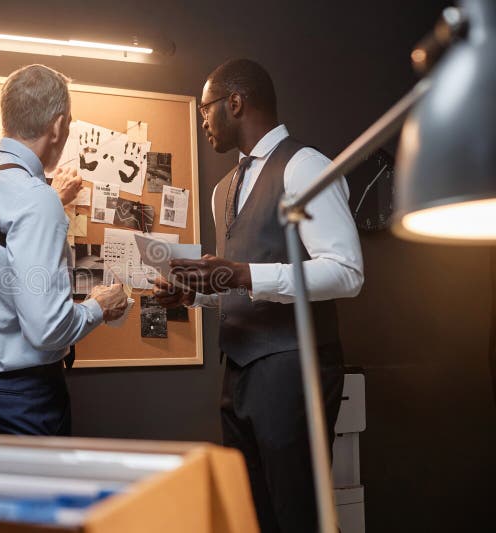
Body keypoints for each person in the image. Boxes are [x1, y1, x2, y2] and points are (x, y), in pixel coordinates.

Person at [153, 59, 364, 533]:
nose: (202, 120)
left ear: (235, 102)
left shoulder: (305, 166)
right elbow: (241, 282)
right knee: (248, 517)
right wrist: (192, 295)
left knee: (296, 516)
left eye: (207, 108)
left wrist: (243, 274)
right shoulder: (222, 189)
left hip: (295, 370)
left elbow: (347, 273)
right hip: (239, 375)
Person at [0, 64, 127, 436]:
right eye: (69, 123)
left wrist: (53, 200)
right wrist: (99, 307)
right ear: (57, 126)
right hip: (27, 398)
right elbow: (47, 330)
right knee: (38, 495)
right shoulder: (37, 199)